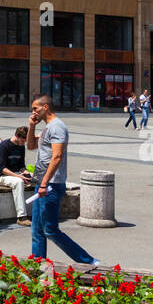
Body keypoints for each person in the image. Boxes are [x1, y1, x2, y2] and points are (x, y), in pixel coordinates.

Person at [27, 95, 99, 266]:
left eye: (35, 108)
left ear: (45, 107)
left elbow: (57, 156)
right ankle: (37, 266)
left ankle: (88, 261)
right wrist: (31, 126)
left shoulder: (57, 127)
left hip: (51, 185)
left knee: (50, 230)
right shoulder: (46, 128)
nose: (33, 112)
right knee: (37, 230)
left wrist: (45, 183)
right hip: (42, 184)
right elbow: (30, 146)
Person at [0, 127, 33, 224]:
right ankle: (21, 217)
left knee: (37, 178)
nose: (23, 143)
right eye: (23, 140)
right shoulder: (4, 146)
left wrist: (25, 173)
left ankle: (39, 212)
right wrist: (19, 176)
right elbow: (2, 169)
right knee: (19, 182)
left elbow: (22, 165)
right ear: (17, 136)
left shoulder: (21, 147)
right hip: (3, 176)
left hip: (17, 173)